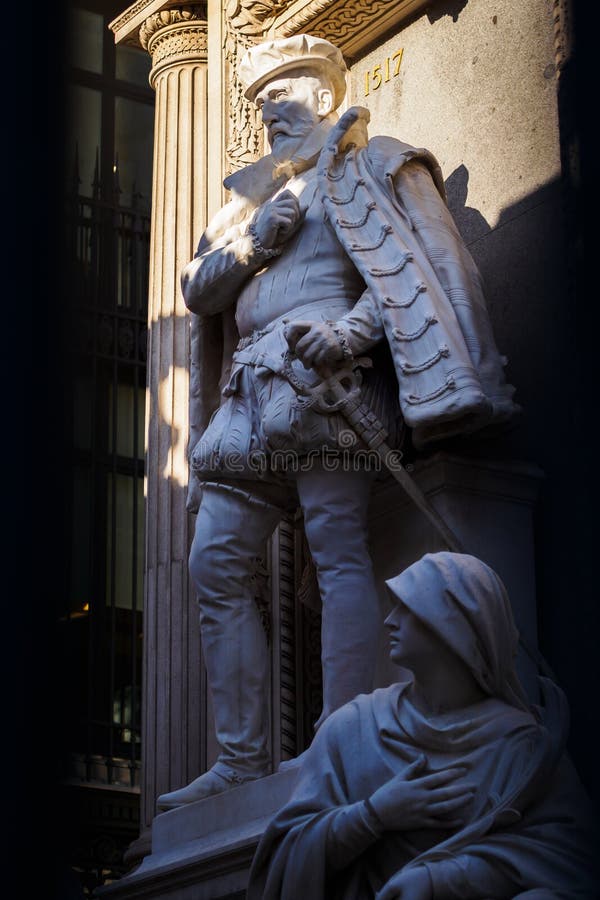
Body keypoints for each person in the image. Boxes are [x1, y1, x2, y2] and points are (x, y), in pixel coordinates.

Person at [157, 34, 518, 810]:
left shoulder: (372, 162)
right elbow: (198, 290)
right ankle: (242, 758)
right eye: (257, 107)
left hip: (331, 382)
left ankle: (340, 733)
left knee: (336, 547)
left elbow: (406, 264)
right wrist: (258, 240)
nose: (266, 118)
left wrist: (351, 333)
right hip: (249, 390)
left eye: (279, 101)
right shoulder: (246, 204)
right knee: (214, 563)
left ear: (321, 98)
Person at [247, 552, 599, 899]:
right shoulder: (353, 728)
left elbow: (573, 863)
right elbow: (282, 857)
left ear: (451, 625)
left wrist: (444, 879)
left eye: (406, 606)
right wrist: (373, 815)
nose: (389, 620)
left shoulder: (524, 748)